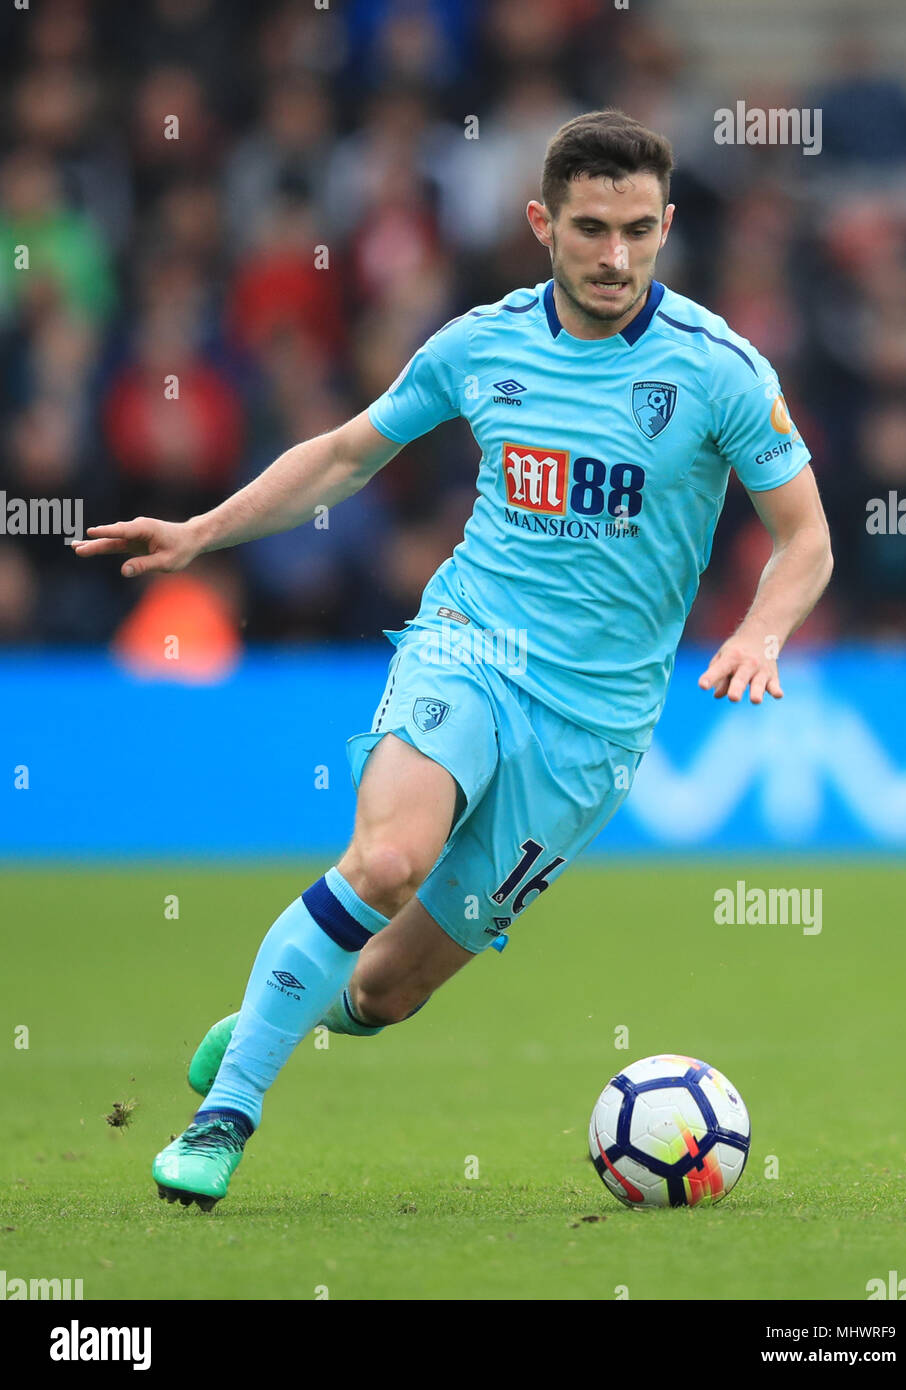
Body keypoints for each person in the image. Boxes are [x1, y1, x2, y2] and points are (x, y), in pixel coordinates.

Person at [74, 110, 833, 1209]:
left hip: (593, 730)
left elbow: (804, 536)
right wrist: (200, 532)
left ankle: (280, 1003)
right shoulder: (480, 345)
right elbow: (345, 455)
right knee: (385, 862)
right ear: (541, 224)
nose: (613, 257)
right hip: (469, 645)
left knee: (385, 992)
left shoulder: (718, 371)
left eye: (635, 230)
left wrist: (761, 631)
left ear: (666, 225)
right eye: (588, 229)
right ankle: (223, 1117)